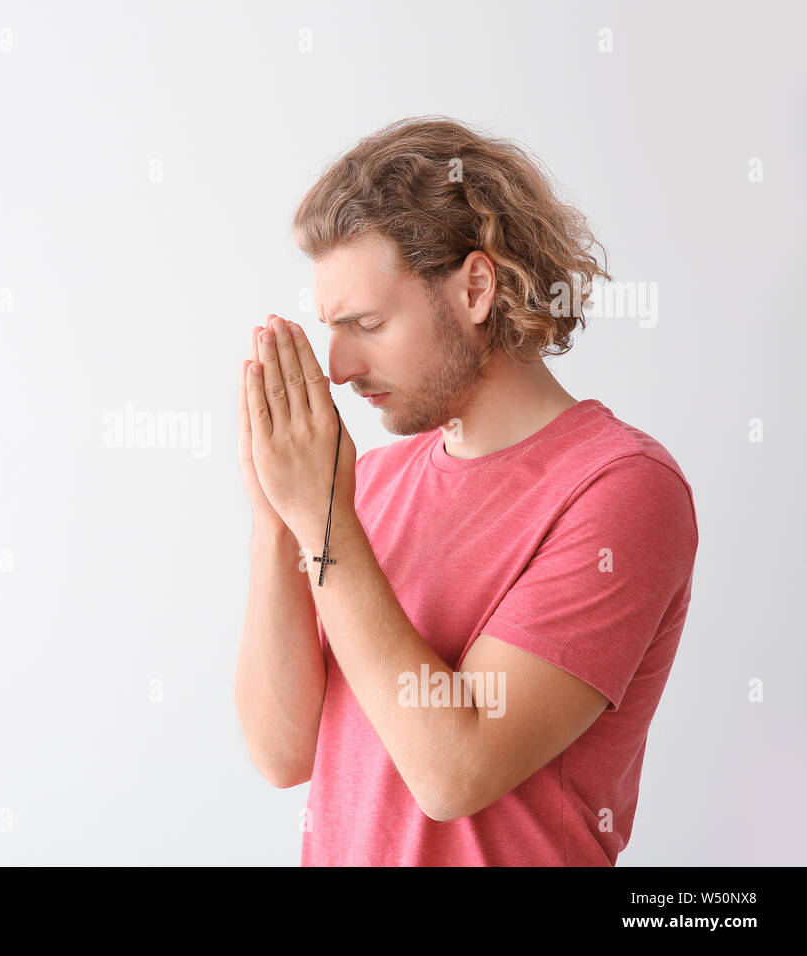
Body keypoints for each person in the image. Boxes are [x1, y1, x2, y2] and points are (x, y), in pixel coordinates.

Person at [233, 115, 698, 866]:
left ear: (475, 288)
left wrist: (324, 525)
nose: (339, 368)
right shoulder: (362, 490)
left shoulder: (621, 489)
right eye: (330, 327)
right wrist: (276, 516)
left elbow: (454, 771)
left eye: (368, 323)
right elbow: (282, 753)